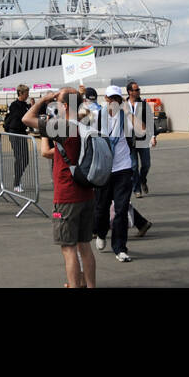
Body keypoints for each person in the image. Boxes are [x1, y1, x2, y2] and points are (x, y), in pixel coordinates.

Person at [24, 87, 96, 287]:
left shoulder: (64, 127)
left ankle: (74, 285)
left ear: (64, 105)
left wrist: (44, 99)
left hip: (67, 194)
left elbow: (26, 119)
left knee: (68, 247)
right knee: (85, 246)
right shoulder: (87, 124)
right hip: (87, 191)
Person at [93, 86, 135, 262]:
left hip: (123, 168)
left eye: (118, 99)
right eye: (111, 99)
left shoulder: (125, 117)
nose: (114, 102)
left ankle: (120, 248)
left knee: (121, 210)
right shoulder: (97, 116)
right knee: (101, 209)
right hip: (104, 169)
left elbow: (142, 130)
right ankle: (101, 233)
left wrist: (129, 112)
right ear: (106, 99)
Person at [125, 82, 156, 197]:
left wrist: (153, 136)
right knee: (133, 166)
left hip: (143, 138)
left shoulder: (144, 105)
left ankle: (143, 179)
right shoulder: (123, 105)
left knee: (146, 164)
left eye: (138, 89)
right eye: (136, 89)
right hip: (129, 139)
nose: (139, 91)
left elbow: (150, 121)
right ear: (130, 92)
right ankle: (136, 189)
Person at [2, 85, 32, 193]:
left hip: (22, 133)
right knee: (19, 158)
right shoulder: (14, 105)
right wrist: (30, 110)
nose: (28, 95)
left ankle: (17, 174)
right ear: (21, 93)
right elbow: (22, 116)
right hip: (14, 133)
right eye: (26, 93)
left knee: (26, 159)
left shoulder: (26, 105)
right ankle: (16, 183)